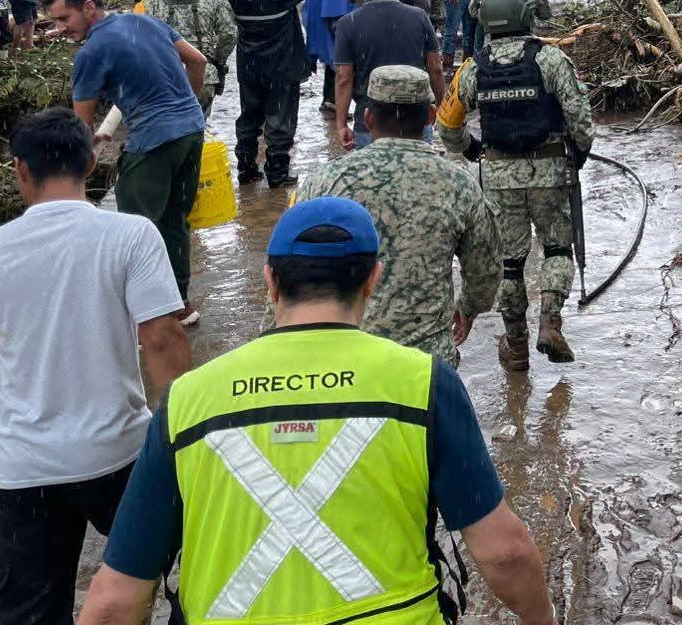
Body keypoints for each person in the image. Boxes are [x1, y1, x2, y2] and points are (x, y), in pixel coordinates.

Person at [75, 197, 558, 625]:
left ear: (269, 282)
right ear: (373, 280)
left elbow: (116, 601)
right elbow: (506, 554)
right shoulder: (424, 385)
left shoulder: (188, 401)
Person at [0, 108, 192, 625]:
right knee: (174, 576)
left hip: (23, 470)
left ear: (20, 169)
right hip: (120, 454)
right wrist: (189, 435)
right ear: (90, 162)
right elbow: (162, 339)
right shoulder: (133, 236)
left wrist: (30, 373)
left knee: (28, 613)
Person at [295, 65, 498, 364]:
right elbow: (485, 271)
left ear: (368, 117)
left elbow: (289, 269)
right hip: (426, 366)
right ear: (430, 116)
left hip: (345, 362)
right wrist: (468, 308)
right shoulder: (459, 183)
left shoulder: (325, 180)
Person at [438, 0, 594, 368]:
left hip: (497, 175)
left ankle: (516, 344)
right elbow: (582, 121)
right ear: (527, 17)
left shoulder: (472, 68)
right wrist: (579, 153)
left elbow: (446, 127)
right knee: (557, 248)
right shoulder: (552, 59)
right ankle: (550, 322)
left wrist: (473, 150)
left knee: (510, 262)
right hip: (551, 173)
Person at [46, 0, 209, 319]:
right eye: (54, 22)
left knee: (132, 232)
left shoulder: (91, 52)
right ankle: (179, 306)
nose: (60, 29)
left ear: (89, 8)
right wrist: (188, 105)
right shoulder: (145, 20)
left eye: (64, 19)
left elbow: (81, 126)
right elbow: (198, 61)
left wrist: (84, 162)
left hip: (152, 142)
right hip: (192, 131)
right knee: (174, 220)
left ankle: (142, 318)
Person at [227, 0, 321, 188]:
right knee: (280, 121)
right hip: (281, 68)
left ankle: (246, 170)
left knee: (249, 118)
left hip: (249, 67)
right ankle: (277, 174)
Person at [332, 0, 443, 150]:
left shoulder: (347, 23)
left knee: (374, 178)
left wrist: (341, 124)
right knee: (418, 176)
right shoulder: (419, 17)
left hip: (371, 120)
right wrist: (441, 109)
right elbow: (436, 68)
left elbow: (344, 78)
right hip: (415, 120)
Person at [141, 0, 239, 117]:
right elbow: (230, 33)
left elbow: (137, 45)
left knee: (171, 133)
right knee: (197, 128)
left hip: (165, 80)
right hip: (204, 78)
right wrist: (215, 60)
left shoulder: (147, 4)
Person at [304, 0, 354, 114]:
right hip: (332, 19)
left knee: (332, 59)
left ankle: (328, 100)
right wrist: (339, 24)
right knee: (339, 61)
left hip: (324, 18)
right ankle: (335, 102)